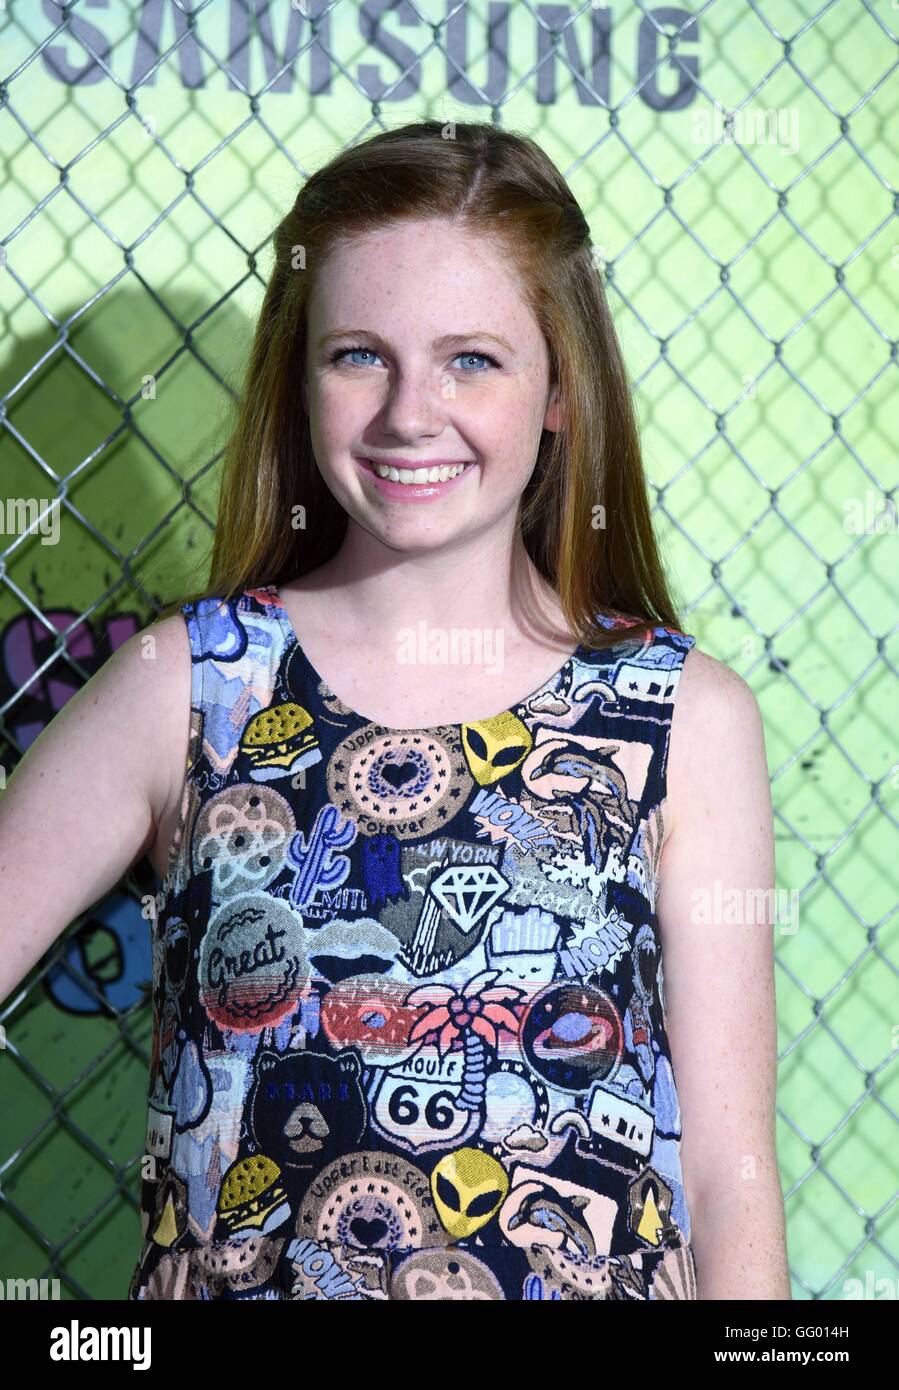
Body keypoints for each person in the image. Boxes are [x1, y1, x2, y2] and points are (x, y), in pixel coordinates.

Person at [0, 119, 789, 1301]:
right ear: (299, 375)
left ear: (561, 389)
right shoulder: (193, 684)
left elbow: (730, 1180)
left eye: (472, 358)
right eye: (358, 354)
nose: (409, 413)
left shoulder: (677, 715)